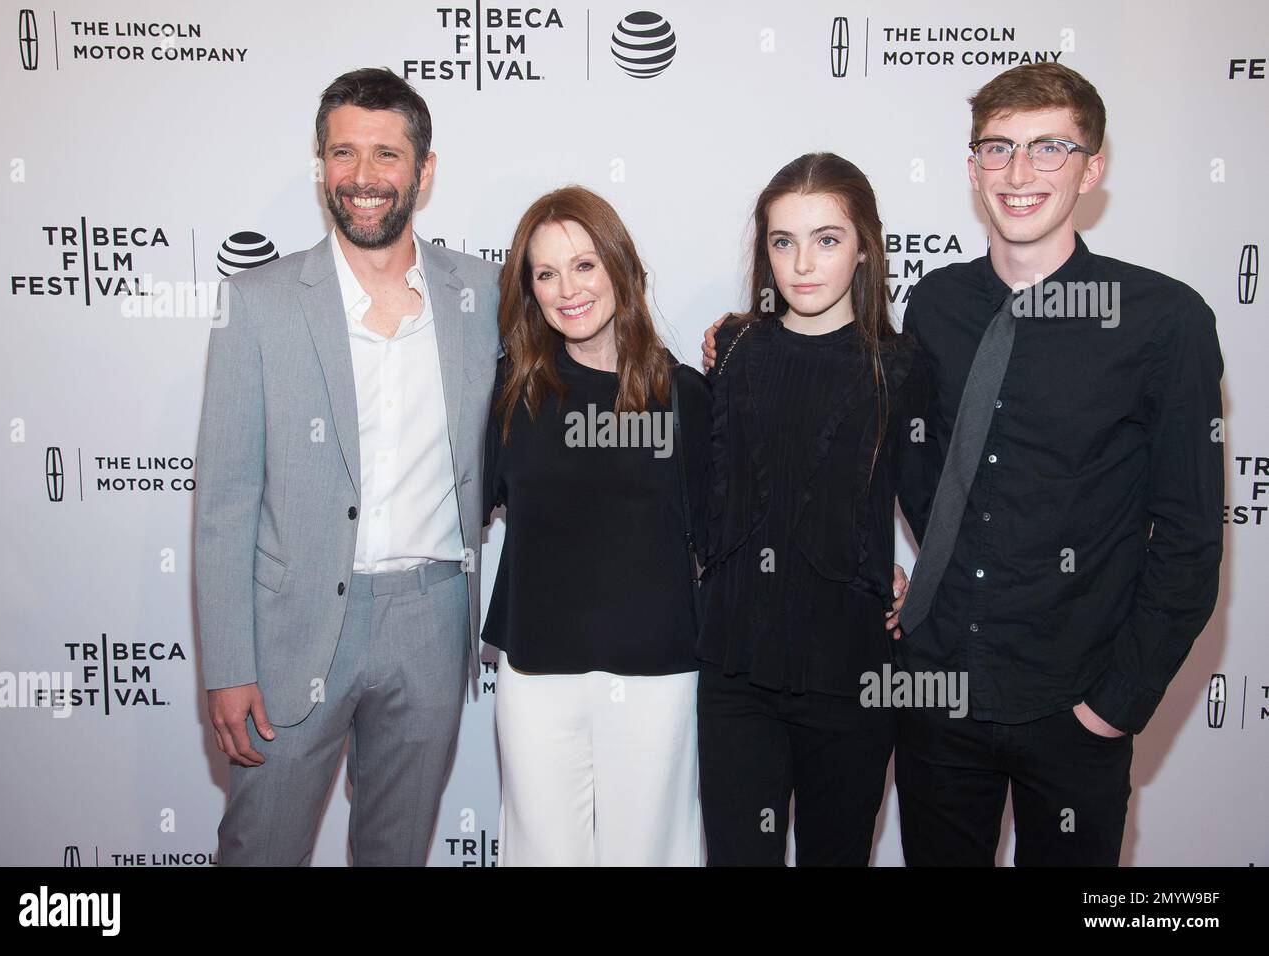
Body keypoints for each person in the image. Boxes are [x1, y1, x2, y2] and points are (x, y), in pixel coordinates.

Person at [708, 63, 1225, 866]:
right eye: (998, 148)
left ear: (1093, 169)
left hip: (1072, 706)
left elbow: (1191, 538)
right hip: (936, 697)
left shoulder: (1165, 322)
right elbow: (905, 463)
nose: (1019, 174)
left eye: (1049, 148)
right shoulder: (936, 307)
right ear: (973, 165)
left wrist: (1115, 704)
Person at [195, 67, 501, 865]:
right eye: (343, 154)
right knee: (260, 848)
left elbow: (592, 343)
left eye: (387, 156)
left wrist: (727, 341)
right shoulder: (258, 301)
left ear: (424, 171)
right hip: (294, 630)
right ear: (321, 164)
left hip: (433, 620)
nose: (363, 178)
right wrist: (228, 665)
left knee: (397, 853)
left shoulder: (485, 295)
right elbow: (225, 502)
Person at [696, 153, 929, 866]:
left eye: (827, 239)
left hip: (852, 675)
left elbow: (945, 500)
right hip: (737, 673)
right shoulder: (733, 348)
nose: (803, 263)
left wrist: (927, 583)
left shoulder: (904, 367)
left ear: (864, 248)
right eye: (782, 240)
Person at [483, 186, 710, 866]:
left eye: (584, 265)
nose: (566, 289)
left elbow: (727, 539)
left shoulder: (684, 395)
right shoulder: (509, 393)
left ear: (620, 267)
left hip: (658, 677)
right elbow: (454, 504)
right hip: (536, 676)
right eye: (545, 274)